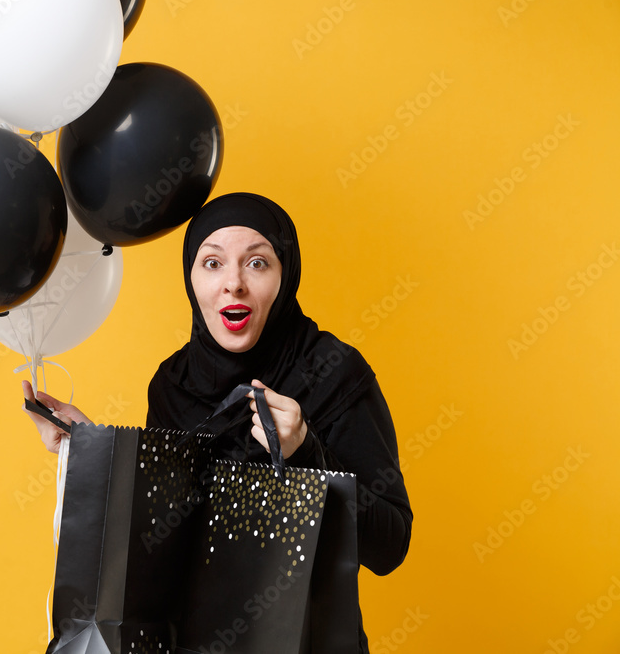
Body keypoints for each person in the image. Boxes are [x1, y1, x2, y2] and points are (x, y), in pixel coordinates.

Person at [23, 192, 412, 650]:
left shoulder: (334, 373)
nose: (234, 284)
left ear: (286, 275)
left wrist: (306, 451)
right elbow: (159, 543)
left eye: (257, 263)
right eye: (212, 264)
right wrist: (91, 449)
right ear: (190, 279)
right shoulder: (172, 384)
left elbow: (390, 546)